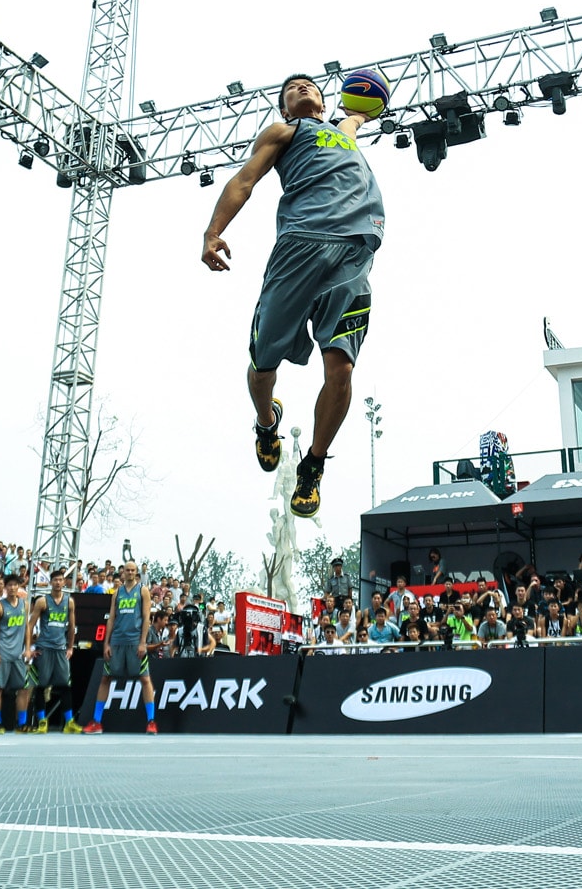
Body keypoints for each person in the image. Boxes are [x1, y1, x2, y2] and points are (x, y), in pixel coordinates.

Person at [201, 72, 385, 518]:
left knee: (340, 368)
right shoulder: (285, 131)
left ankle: (314, 465)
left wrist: (359, 114)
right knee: (263, 361)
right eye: (292, 89)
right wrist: (213, 232)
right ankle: (267, 425)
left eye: (311, 87)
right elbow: (243, 181)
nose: (303, 88)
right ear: (285, 108)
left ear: (326, 103)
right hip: (299, 246)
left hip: (355, 252)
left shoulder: (345, 131)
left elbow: (354, 122)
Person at [85, 560, 157, 735]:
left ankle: (151, 722)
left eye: (133, 570)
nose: (130, 573)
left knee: (145, 680)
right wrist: (106, 643)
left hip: (134, 641)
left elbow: (146, 617)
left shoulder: (143, 591)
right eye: (127, 570)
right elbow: (111, 618)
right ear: (123, 572)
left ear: (136, 573)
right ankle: (96, 722)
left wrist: (143, 642)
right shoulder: (117, 593)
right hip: (117, 641)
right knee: (105, 679)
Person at [29, 567, 80, 733]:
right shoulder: (42, 601)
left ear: (64, 582)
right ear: (51, 582)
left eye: (60, 580)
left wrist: (70, 647)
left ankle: (69, 722)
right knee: (41, 685)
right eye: (55, 580)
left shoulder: (69, 601)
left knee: (65, 685)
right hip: (44, 647)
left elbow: (72, 626)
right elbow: (30, 625)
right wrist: (29, 648)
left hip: (60, 649)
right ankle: (42, 721)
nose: (58, 583)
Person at [0, 571, 34, 732]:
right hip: (3, 654)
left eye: (16, 584)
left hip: (18, 655)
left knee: (23, 688)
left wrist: (28, 649)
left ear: (19, 586)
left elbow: (27, 629)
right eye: (10, 585)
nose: (13, 587)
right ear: (5, 587)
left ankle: (21, 723)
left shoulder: (25, 604)